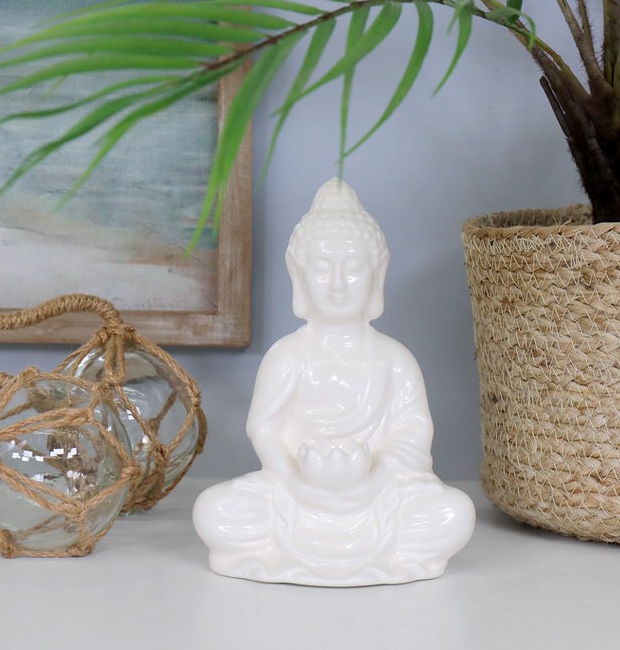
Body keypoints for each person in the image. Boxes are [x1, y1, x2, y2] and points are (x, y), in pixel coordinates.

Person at [193, 179, 475, 585]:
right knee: (213, 509)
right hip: (293, 493)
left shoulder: (394, 359)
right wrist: (295, 481)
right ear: (299, 275)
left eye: (354, 267)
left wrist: (373, 481)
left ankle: (359, 547)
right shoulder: (287, 356)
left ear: (378, 274)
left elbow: (412, 435)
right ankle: (295, 543)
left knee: (454, 513)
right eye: (323, 269)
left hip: (379, 496)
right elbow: (264, 429)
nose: (338, 284)